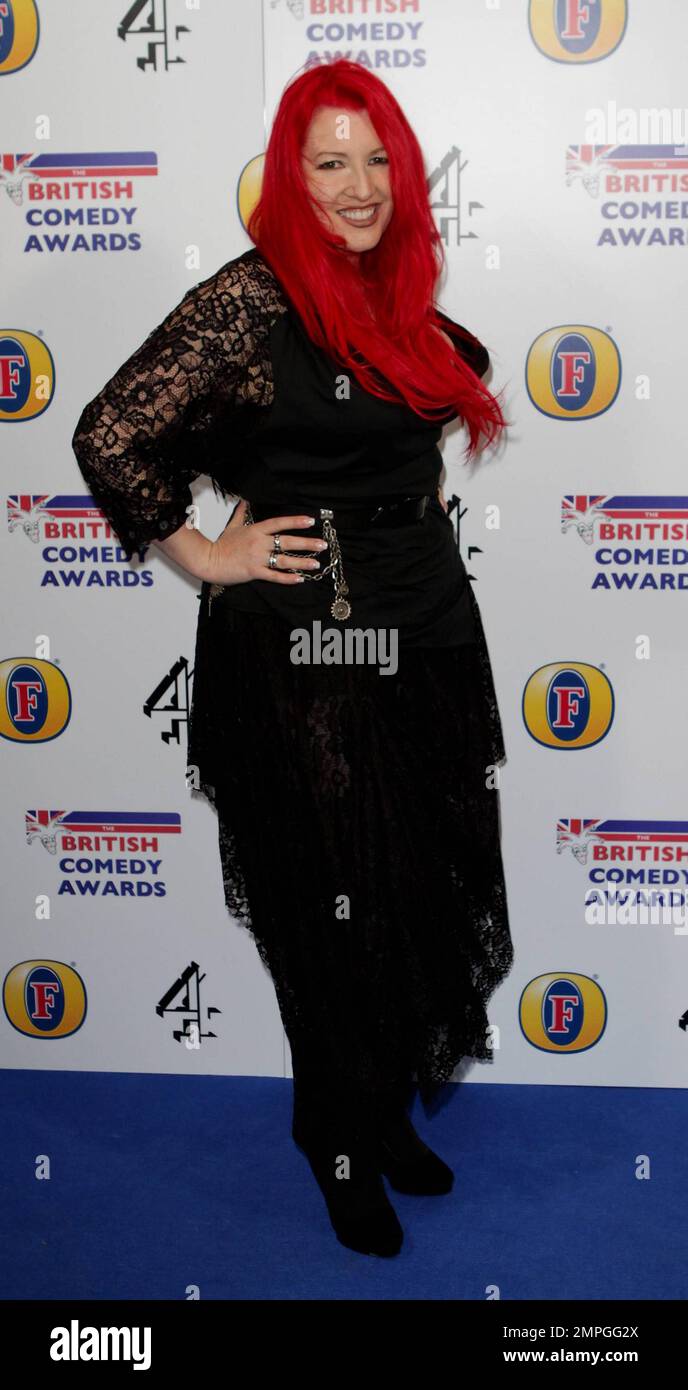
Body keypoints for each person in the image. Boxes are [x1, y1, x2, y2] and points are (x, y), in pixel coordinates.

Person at [71, 58, 514, 1259]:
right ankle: (335, 1142)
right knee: (335, 908)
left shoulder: (401, 290)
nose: (359, 187)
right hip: (308, 645)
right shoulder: (245, 301)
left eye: (377, 161)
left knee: (421, 881)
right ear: (288, 173)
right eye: (330, 163)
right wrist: (202, 551)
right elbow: (108, 430)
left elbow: (403, 434)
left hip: (424, 622)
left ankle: (381, 1109)